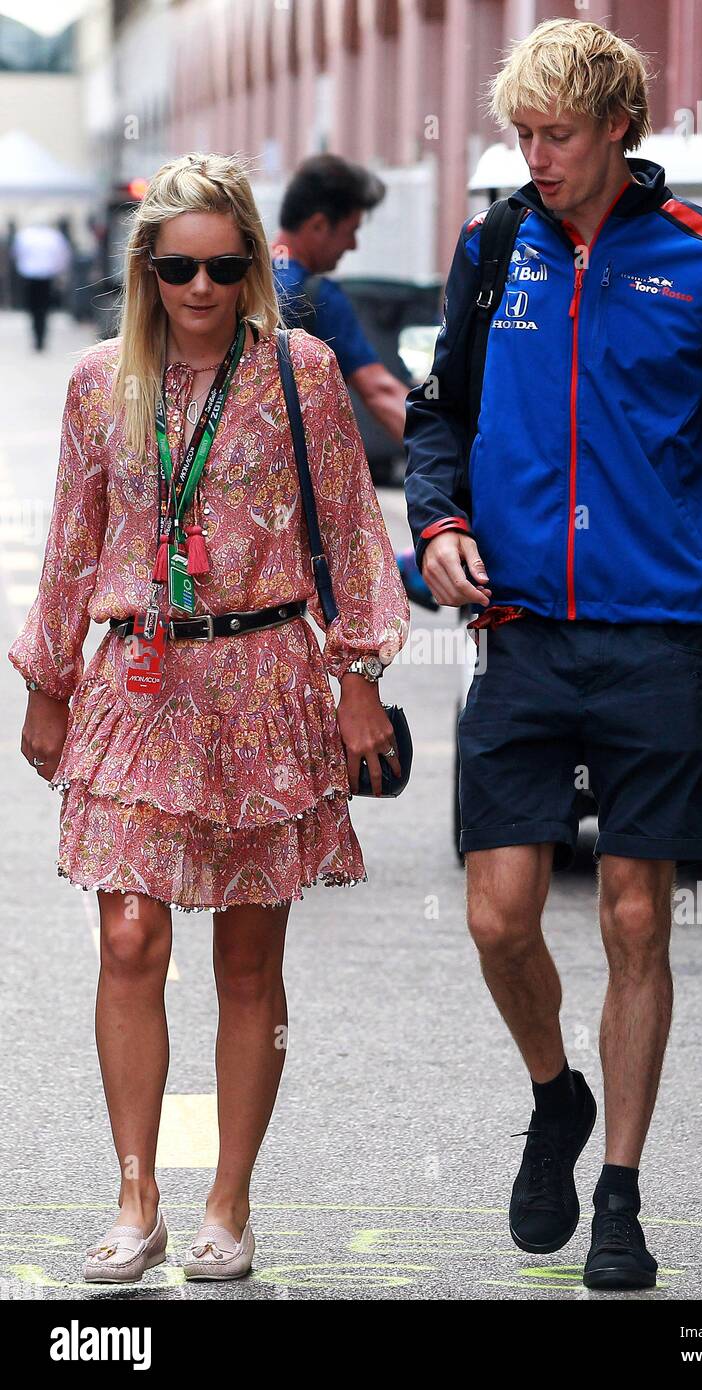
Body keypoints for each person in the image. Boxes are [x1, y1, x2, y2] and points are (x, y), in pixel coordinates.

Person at [403, 19, 702, 1290]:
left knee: (638, 912)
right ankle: (556, 1093)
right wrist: (437, 521)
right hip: (521, 631)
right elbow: (439, 415)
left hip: (658, 635)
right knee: (497, 917)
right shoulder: (493, 249)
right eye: (520, 135)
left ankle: (619, 1194)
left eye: (555, 134)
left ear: (616, 129)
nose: (533, 157)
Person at [9, 151, 409, 1284]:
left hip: (263, 683)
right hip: (136, 687)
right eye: (179, 268)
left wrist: (359, 675)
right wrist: (47, 682)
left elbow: (349, 526)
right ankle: (136, 1195)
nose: (200, 288)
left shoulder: (300, 371)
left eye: (224, 268)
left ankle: (228, 1200)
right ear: (147, 269)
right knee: (128, 937)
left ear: (252, 268)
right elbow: (74, 538)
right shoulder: (101, 382)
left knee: (245, 959)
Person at [271, 154, 408, 443]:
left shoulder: (240, 277)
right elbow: (380, 392)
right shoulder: (317, 297)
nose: (353, 245)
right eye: (351, 231)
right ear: (319, 225)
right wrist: (444, 450)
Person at [10, 217, 72, 351]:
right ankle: (41, 336)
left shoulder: (24, 235)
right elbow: (63, 256)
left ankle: (37, 335)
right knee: (43, 308)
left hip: (30, 276)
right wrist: (59, 271)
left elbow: (16, 254)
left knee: (33, 308)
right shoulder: (54, 236)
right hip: (46, 276)